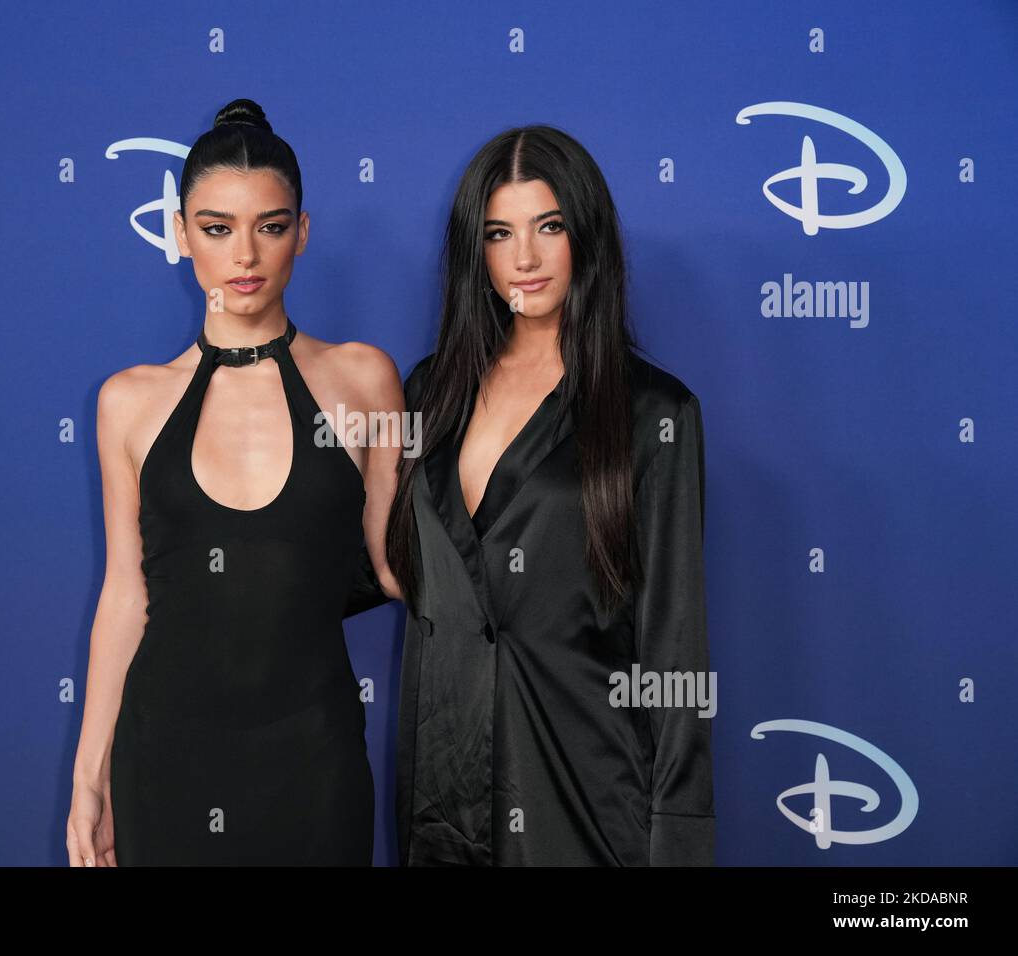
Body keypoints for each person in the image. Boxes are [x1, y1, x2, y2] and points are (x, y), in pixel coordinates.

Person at [66, 98, 403, 866]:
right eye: (217, 228)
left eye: (271, 226)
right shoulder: (129, 401)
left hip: (314, 761)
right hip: (165, 761)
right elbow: (125, 594)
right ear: (181, 235)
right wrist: (90, 778)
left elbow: (394, 566)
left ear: (303, 233)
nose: (244, 255)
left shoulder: (363, 379)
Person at [383, 125, 716, 865]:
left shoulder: (656, 415)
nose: (524, 259)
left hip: (587, 803)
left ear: (586, 235)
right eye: (500, 233)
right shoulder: (428, 393)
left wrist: (681, 845)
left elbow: (675, 651)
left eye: (549, 226)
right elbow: (401, 574)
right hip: (444, 806)